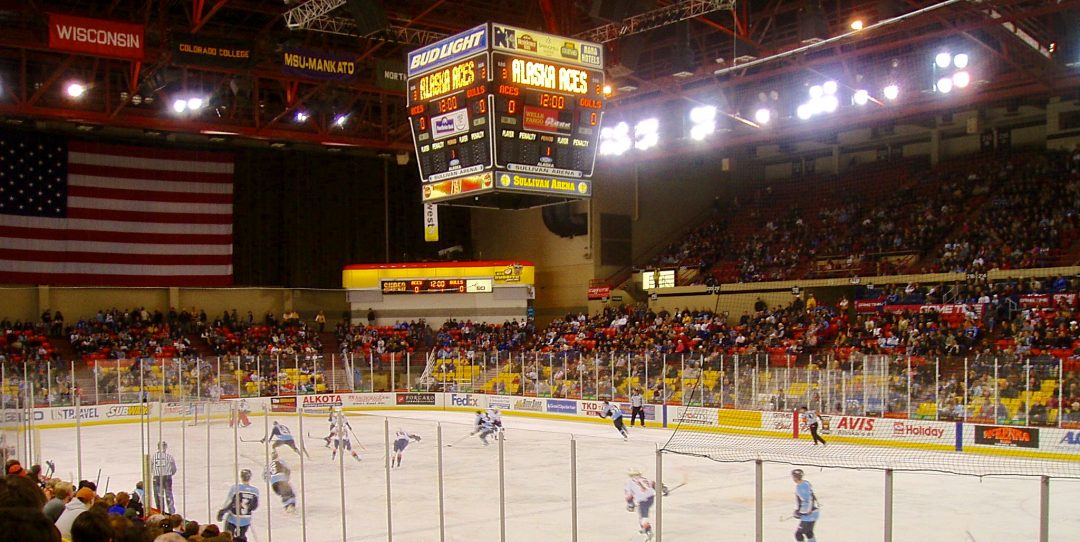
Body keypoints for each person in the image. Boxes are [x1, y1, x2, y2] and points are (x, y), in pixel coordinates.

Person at [218, 468, 259, 539]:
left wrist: (221, 512)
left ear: (241, 476)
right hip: (246, 520)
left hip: (233, 518)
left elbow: (228, 503)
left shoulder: (235, 488)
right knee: (241, 537)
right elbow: (254, 507)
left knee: (227, 537)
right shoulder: (255, 491)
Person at [624, 467, 657, 541]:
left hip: (643, 501)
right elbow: (655, 484)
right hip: (650, 499)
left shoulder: (630, 483)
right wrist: (663, 489)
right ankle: (643, 527)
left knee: (643, 517)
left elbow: (628, 495)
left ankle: (648, 530)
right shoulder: (645, 479)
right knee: (641, 514)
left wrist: (630, 504)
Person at [791, 469, 820, 542]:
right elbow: (799, 501)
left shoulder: (805, 485)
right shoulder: (798, 486)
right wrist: (797, 511)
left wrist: (807, 511)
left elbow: (811, 499)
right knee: (808, 532)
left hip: (811, 512)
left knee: (798, 534)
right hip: (807, 513)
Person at [151, 440, 177, 514]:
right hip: (167, 476)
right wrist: (170, 474)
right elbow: (173, 468)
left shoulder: (154, 457)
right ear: (165, 447)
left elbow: (151, 467)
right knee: (169, 493)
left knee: (159, 495)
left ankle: (160, 511)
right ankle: (171, 511)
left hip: (157, 477)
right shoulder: (169, 457)